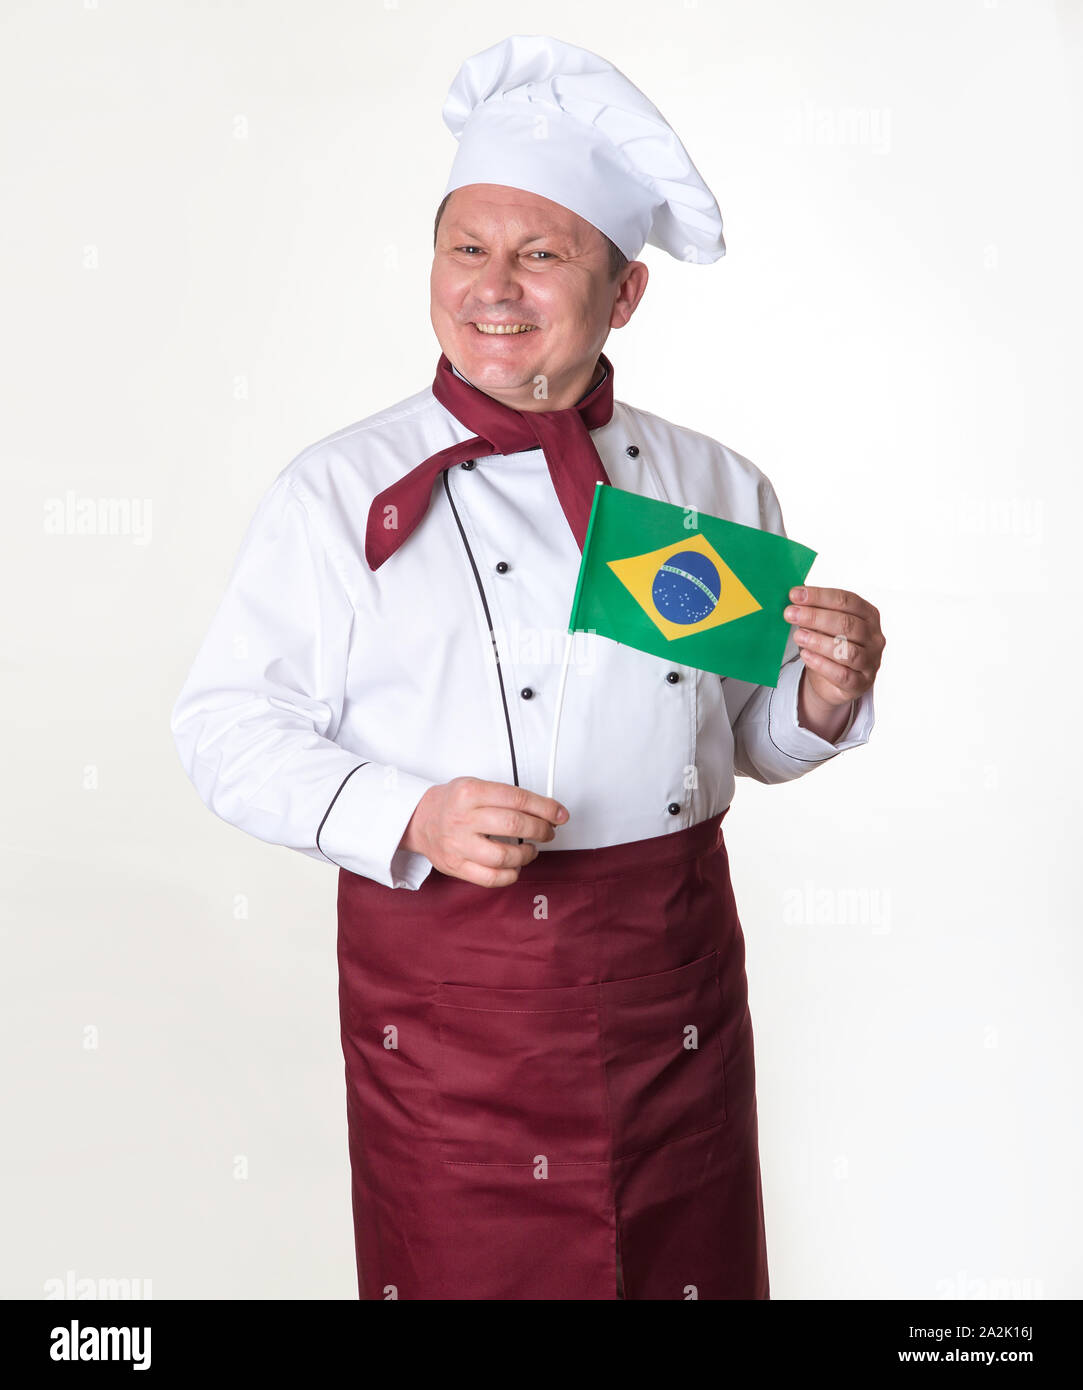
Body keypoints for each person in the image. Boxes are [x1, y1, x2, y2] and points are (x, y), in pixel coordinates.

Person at [171, 33, 885, 1300]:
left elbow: (746, 740)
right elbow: (225, 728)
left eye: (542, 254)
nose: (493, 288)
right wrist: (415, 811)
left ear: (624, 295)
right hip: (449, 1001)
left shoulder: (709, 489)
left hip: (672, 991)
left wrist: (819, 701)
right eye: (467, 248)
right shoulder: (336, 493)